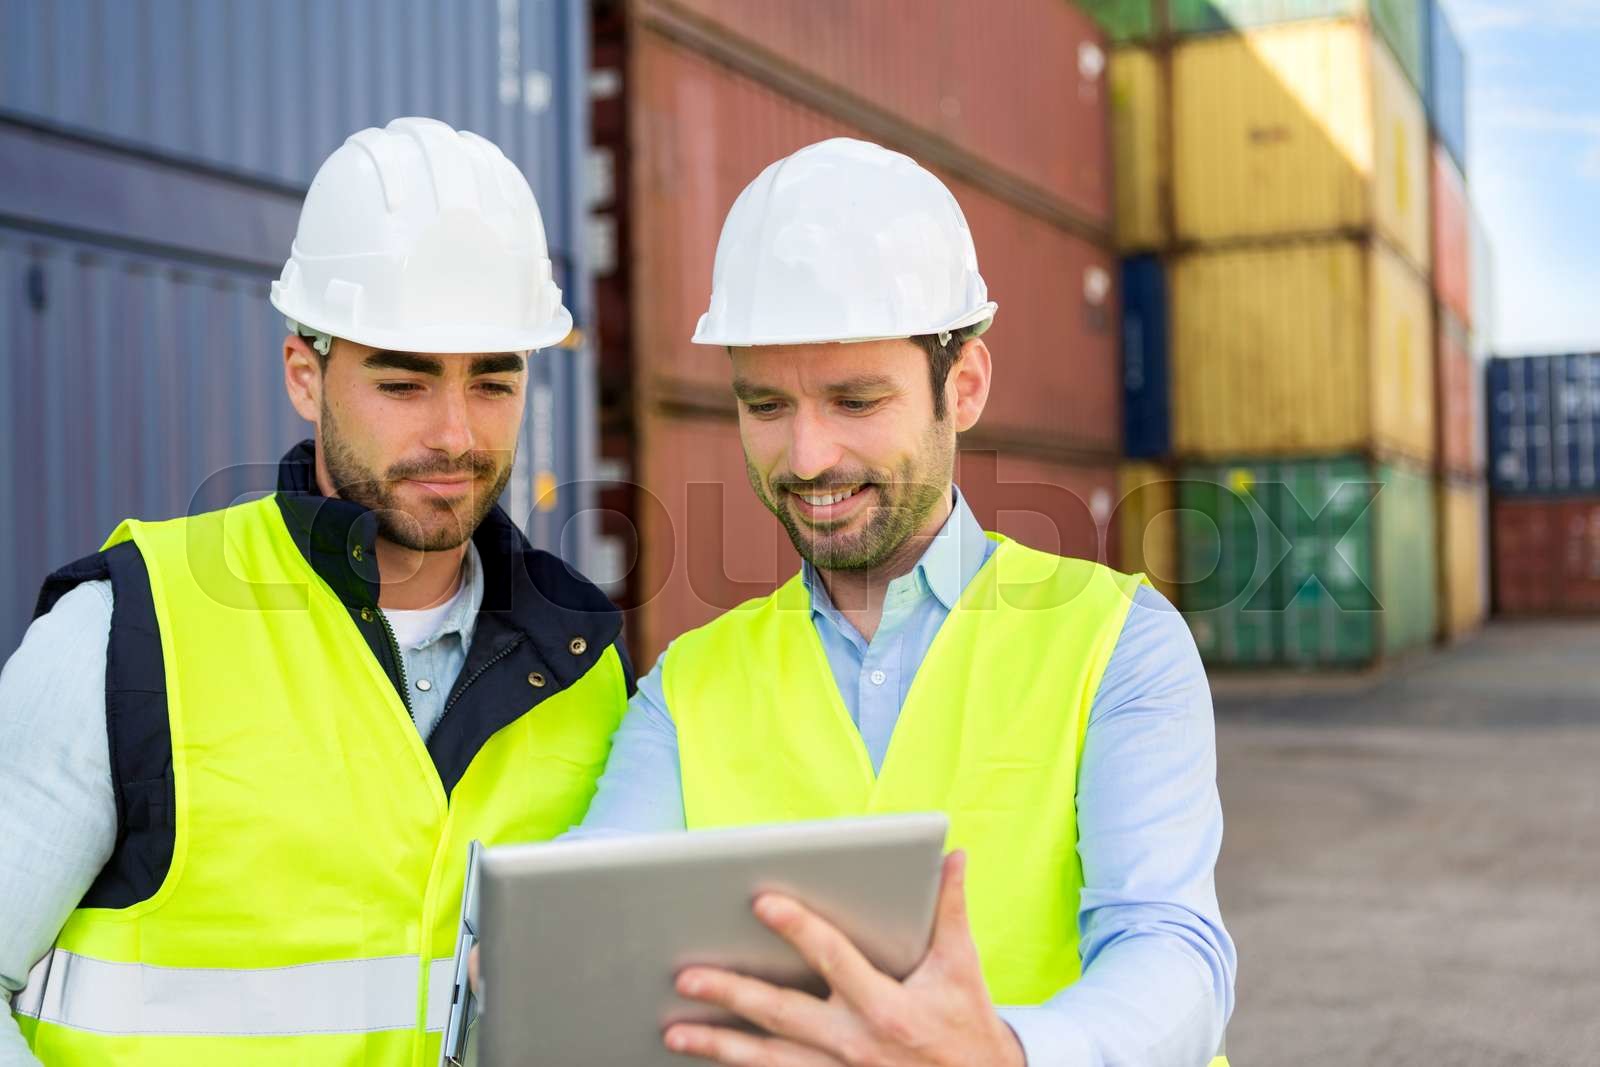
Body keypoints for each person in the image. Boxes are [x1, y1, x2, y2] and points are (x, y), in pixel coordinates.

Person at [575, 138, 1236, 1066]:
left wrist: (1006, 1052)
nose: (805, 458)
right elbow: (591, 938)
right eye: (766, 406)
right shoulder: (685, 691)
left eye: (854, 401)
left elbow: (1174, 950)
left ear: (961, 386)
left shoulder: (1117, 645)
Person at [0, 117, 632, 1066]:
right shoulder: (128, 635)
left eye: (493, 383)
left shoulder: (588, 674)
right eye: (405, 383)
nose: (456, 433)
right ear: (308, 375)